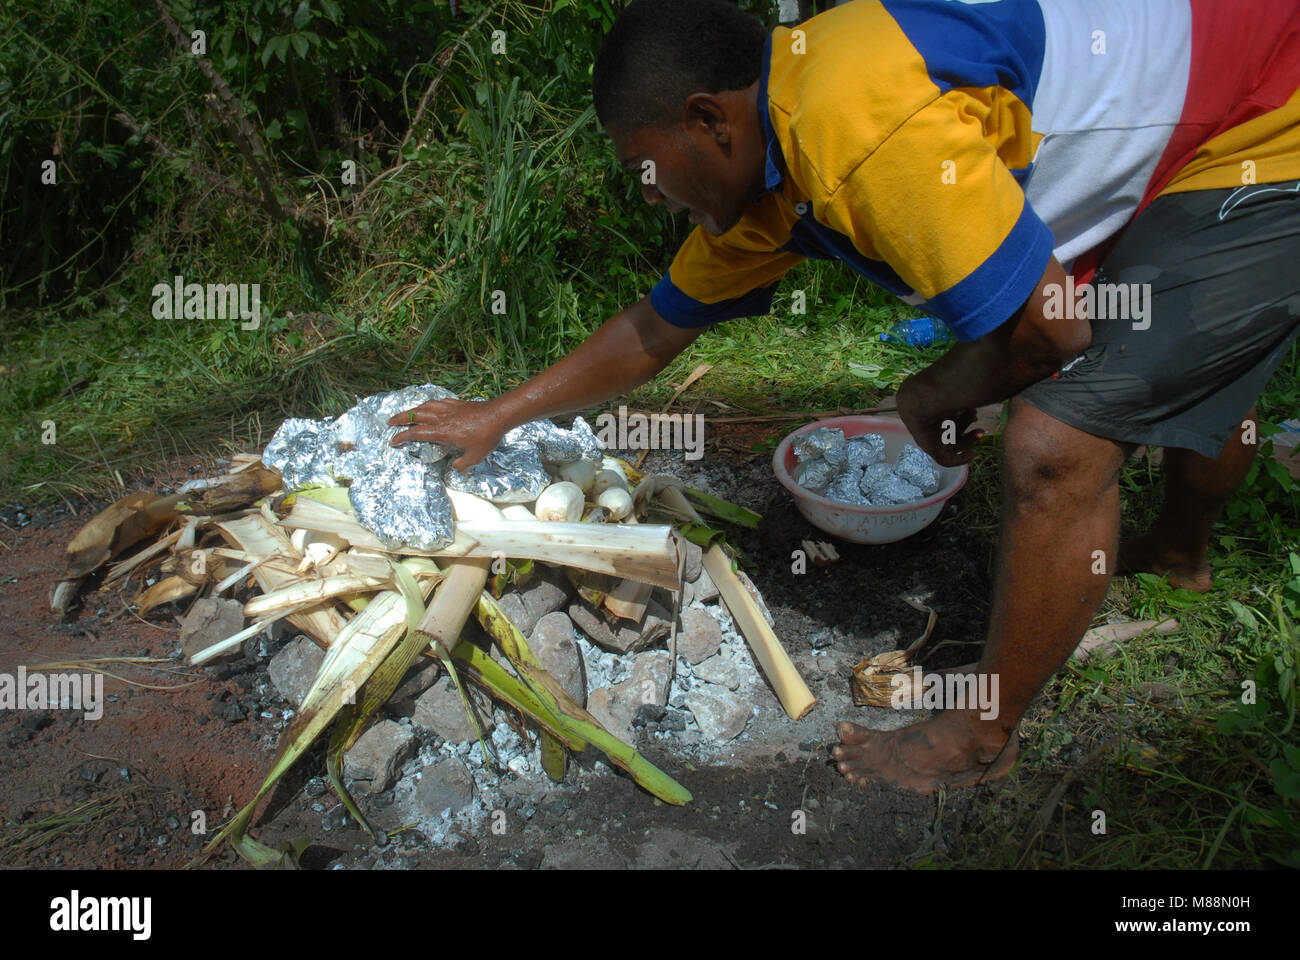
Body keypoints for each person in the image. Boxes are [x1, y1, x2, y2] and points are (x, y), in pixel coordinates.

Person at [388, 0, 1300, 793]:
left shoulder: (854, 124)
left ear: (707, 119)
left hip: (1264, 111)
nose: (652, 196)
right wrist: (497, 414)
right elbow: (655, 328)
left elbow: (1050, 333)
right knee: (1182, 339)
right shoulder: (773, 165)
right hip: (1201, 103)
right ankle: (1179, 552)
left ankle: (980, 736)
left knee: (1054, 442)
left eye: (645, 166)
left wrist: (933, 395)